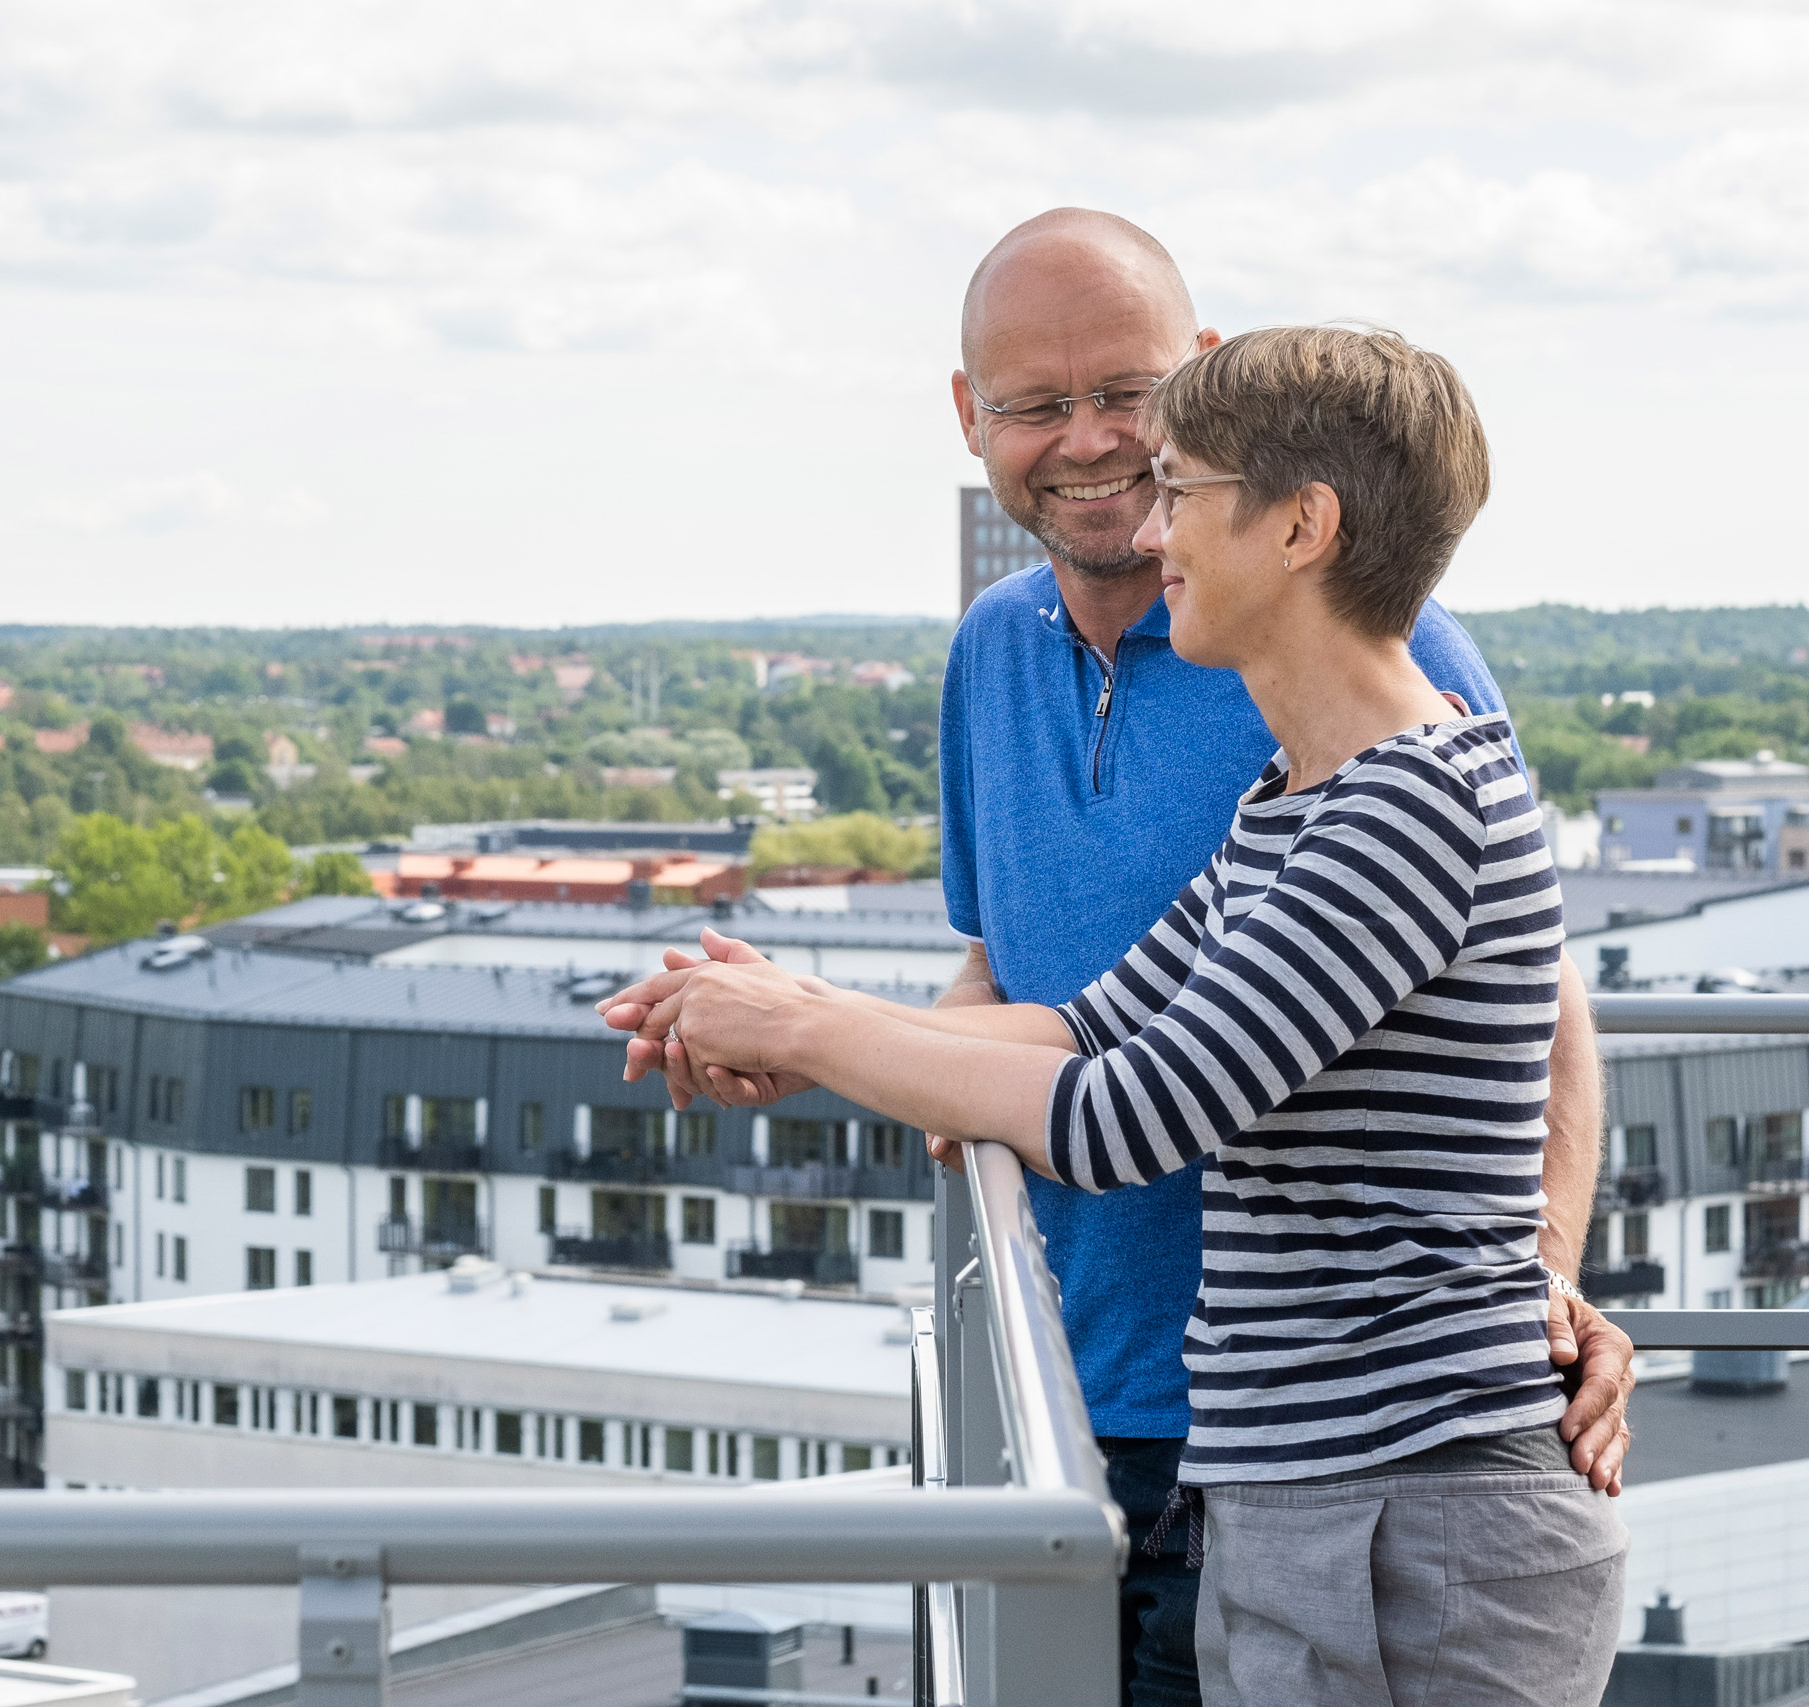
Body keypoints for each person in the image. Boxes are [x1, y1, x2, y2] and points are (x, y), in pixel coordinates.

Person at [610, 210, 1634, 1707]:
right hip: (1229, 1447)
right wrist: (781, 1008)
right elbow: (1075, 1023)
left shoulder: (1406, 750)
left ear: (1294, 520)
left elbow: (1138, 1113)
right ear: (972, 417)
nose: (1131, 492)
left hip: (1395, 1484)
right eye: (1037, 404)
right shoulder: (1266, 786)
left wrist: (1538, 1280)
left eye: (1159, 445)